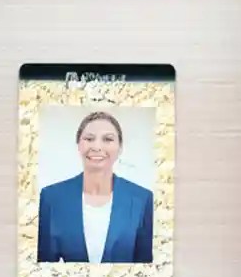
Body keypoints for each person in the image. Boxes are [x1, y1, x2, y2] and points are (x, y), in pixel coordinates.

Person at [37, 111, 154, 263]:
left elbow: (146, 268)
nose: (97, 146)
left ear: (120, 148)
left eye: (108, 139)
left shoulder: (142, 199)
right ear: (78, 145)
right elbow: (43, 268)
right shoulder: (51, 198)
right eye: (89, 139)